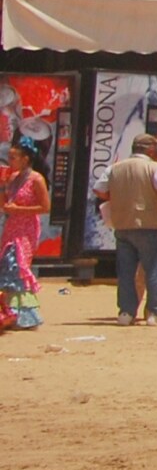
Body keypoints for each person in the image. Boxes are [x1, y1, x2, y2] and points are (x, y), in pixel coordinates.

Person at [98, 132, 157, 326]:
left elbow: (99, 190)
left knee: (126, 272)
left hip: (123, 225)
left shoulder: (114, 168)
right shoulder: (154, 168)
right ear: (150, 150)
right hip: (148, 225)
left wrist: (118, 197)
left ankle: (126, 312)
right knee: (155, 271)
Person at [2, 140, 50, 331]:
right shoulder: (13, 177)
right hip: (11, 226)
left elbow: (45, 207)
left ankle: (23, 315)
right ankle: (10, 312)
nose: (10, 160)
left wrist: (19, 209)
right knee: (7, 265)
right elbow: (5, 204)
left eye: (13, 157)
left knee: (18, 266)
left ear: (25, 159)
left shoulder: (36, 179)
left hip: (27, 226)